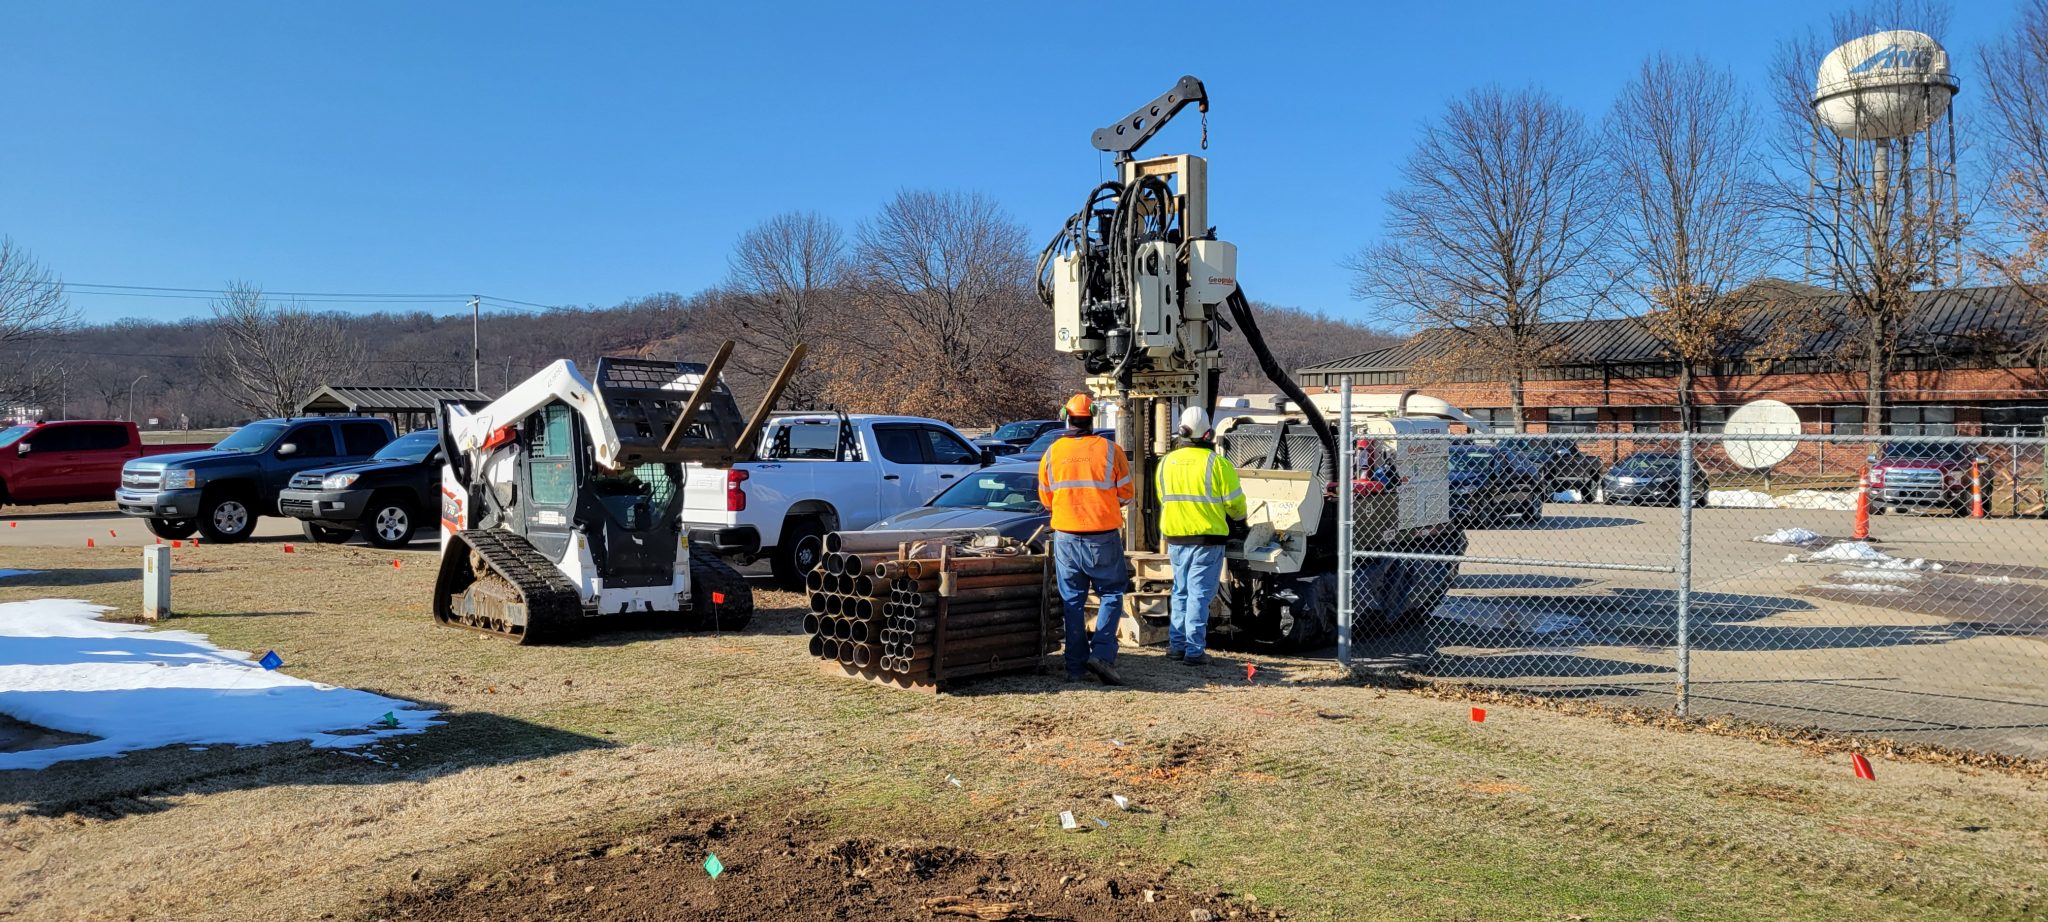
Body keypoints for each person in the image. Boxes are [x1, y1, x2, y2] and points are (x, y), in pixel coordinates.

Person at [1037, 393, 1131, 685]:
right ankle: (1101, 655)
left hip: (1065, 537)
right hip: (1102, 537)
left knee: (1072, 601)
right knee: (1111, 593)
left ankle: (1075, 668)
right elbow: (1126, 494)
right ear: (1092, 418)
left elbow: (1046, 497)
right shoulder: (1111, 450)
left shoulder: (1052, 453)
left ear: (1066, 417)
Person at [1155, 406, 1246, 666]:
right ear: (1208, 434)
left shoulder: (1166, 463)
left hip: (1175, 538)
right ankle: (1194, 651)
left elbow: (1163, 497)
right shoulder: (1217, 463)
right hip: (1207, 540)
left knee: (1180, 592)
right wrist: (1241, 521)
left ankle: (1176, 646)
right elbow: (1235, 504)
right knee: (1198, 595)